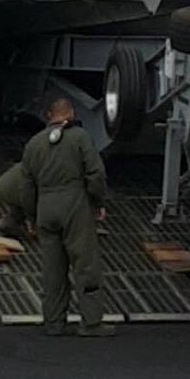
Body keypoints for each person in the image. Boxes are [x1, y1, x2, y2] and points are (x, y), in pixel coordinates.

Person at [20, 97, 115, 337]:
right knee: (85, 264)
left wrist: (31, 215)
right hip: (74, 205)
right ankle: (91, 323)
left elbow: (26, 185)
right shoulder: (79, 137)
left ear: (48, 115)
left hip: (45, 208)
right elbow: (95, 173)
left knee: (52, 268)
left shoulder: (33, 144)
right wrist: (97, 202)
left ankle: (53, 322)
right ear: (70, 113)